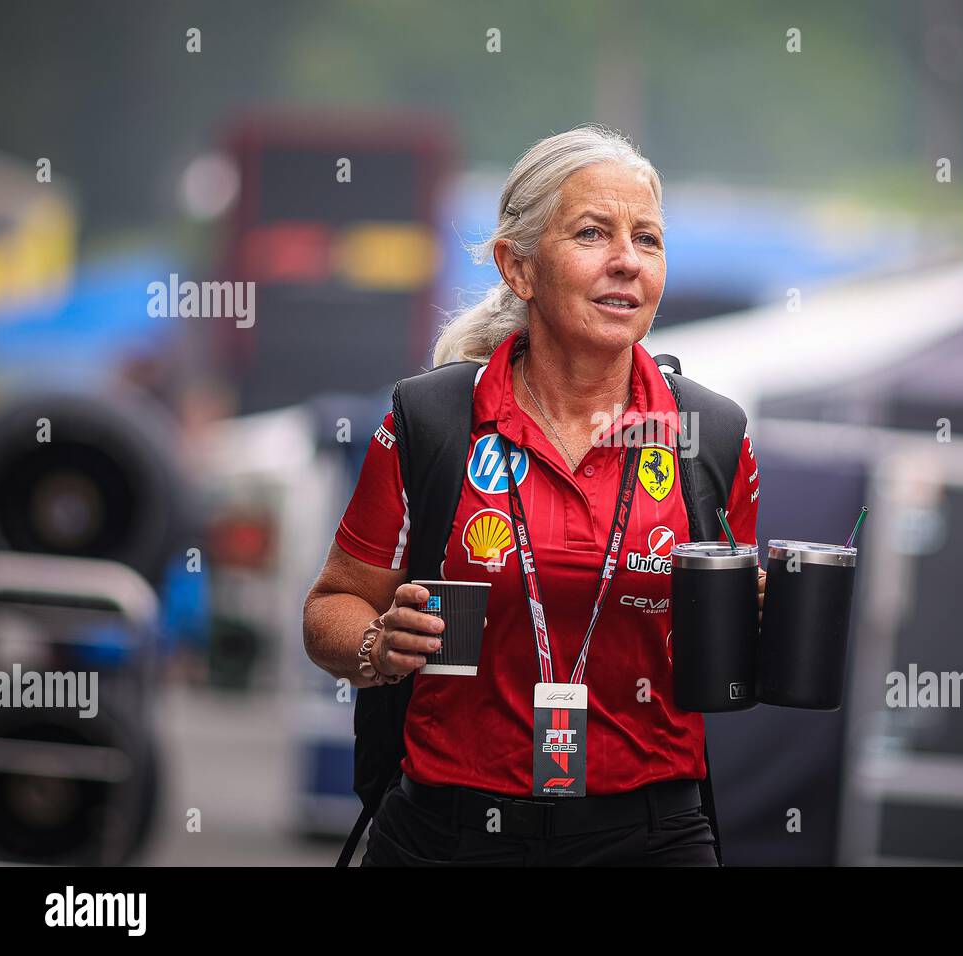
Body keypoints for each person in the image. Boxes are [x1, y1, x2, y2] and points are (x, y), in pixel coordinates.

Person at [303, 124, 763, 866]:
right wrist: (376, 647)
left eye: (647, 239)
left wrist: (755, 626)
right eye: (592, 233)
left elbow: (720, 670)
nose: (626, 262)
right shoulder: (432, 419)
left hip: (649, 837)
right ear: (518, 268)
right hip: (448, 833)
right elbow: (330, 605)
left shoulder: (711, 434)